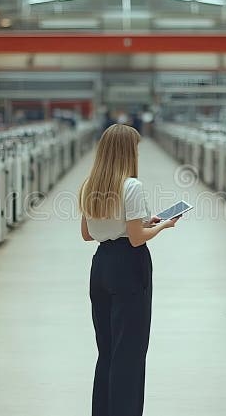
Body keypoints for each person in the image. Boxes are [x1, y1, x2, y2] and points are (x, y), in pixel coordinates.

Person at [79, 124, 180, 416]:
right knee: (130, 354)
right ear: (127, 152)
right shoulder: (131, 186)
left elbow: (87, 234)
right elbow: (136, 238)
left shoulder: (89, 185)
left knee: (107, 352)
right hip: (128, 266)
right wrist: (162, 225)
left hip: (101, 267)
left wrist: (139, 222)